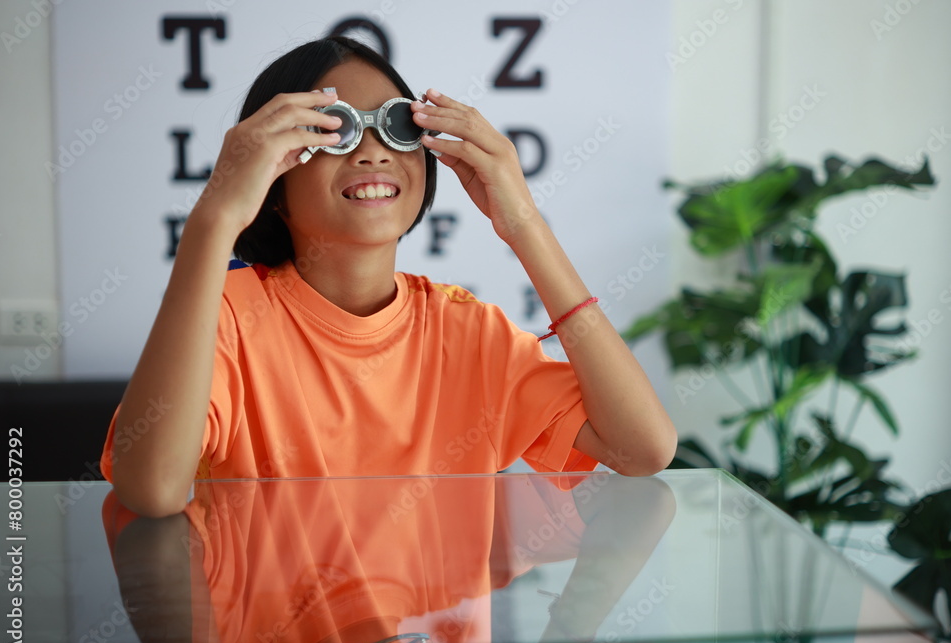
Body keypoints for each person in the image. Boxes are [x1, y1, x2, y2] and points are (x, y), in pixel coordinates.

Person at [101, 35, 677, 518]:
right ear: (272, 178)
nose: (373, 151)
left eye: (397, 124)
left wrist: (523, 223)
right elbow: (151, 489)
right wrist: (215, 218)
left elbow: (643, 448)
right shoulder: (230, 316)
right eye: (335, 128)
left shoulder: (468, 334)